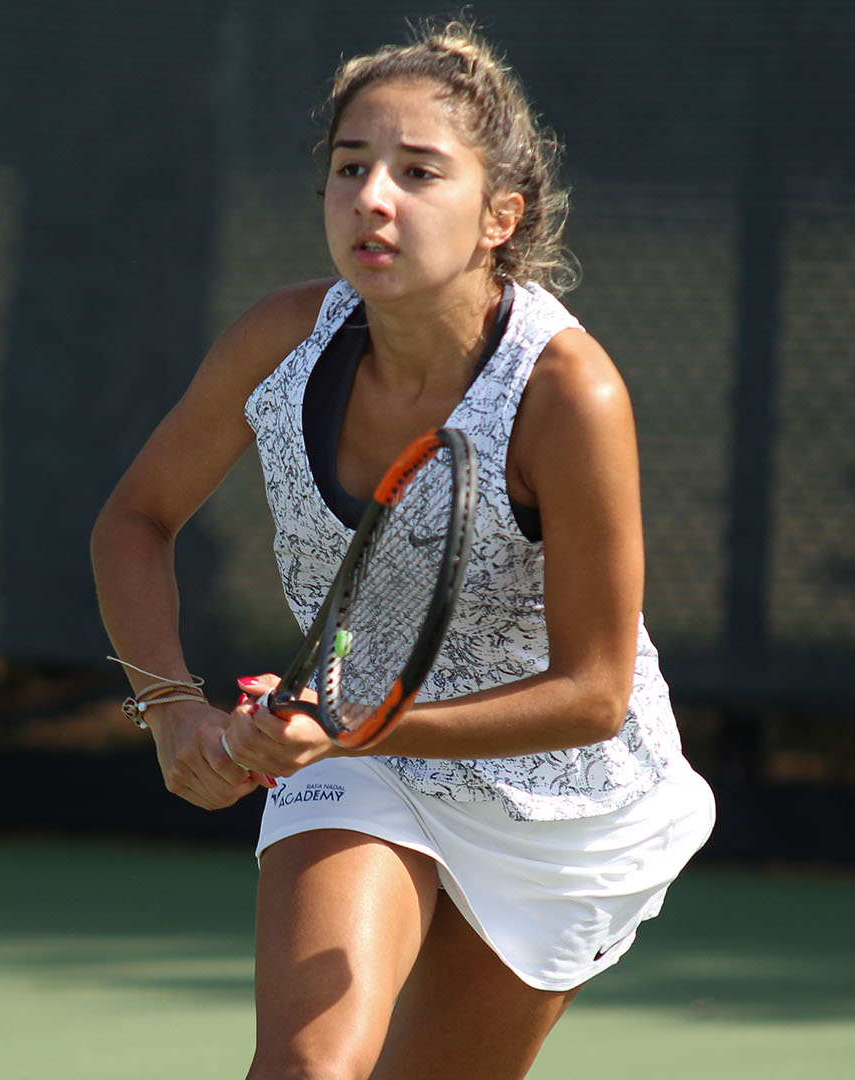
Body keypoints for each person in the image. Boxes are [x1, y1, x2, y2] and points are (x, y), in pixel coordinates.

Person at [91, 19, 714, 1080]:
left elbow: (595, 691)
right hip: (365, 763)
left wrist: (349, 733)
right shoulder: (282, 341)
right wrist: (170, 708)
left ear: (497, 218)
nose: (373, 197)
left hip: (567, 805)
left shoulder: (569, 395)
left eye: (419, 172)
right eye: (350, 168)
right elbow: (133, 522)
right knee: (306, 1069)